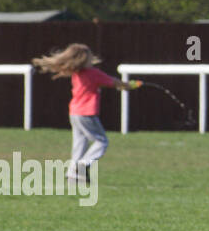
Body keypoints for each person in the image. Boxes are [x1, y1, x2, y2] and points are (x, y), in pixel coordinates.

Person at [31, 44, 141, 183]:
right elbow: (113, 82)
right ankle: (82, 164)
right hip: (87, 113)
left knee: (80, 142)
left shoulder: (76, 74)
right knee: (101, 141)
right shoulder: (93, 73)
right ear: (83, 59)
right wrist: (129, 85)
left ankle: (72, 174)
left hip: (75, 112)